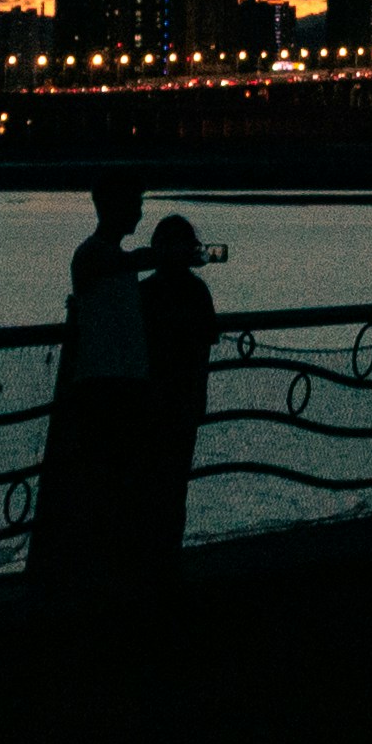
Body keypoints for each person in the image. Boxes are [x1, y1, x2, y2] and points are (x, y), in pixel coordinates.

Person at [34, 185, 154, 586]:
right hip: (104, 386)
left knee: (112, 478)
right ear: (114, 209)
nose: (139, 215)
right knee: (105, 477)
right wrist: (159, 257)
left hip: (119, 383)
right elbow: (115, 268)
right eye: (135, 206)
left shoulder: (108, 258)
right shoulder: (94, 255)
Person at [134, 213, 222, 577]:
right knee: (174, 484)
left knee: (145, 482)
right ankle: (168, 555)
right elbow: (206, 342)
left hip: (148, 400)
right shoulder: (197, 291)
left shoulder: (144, 292)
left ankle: (143, 558)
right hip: (183, 398)